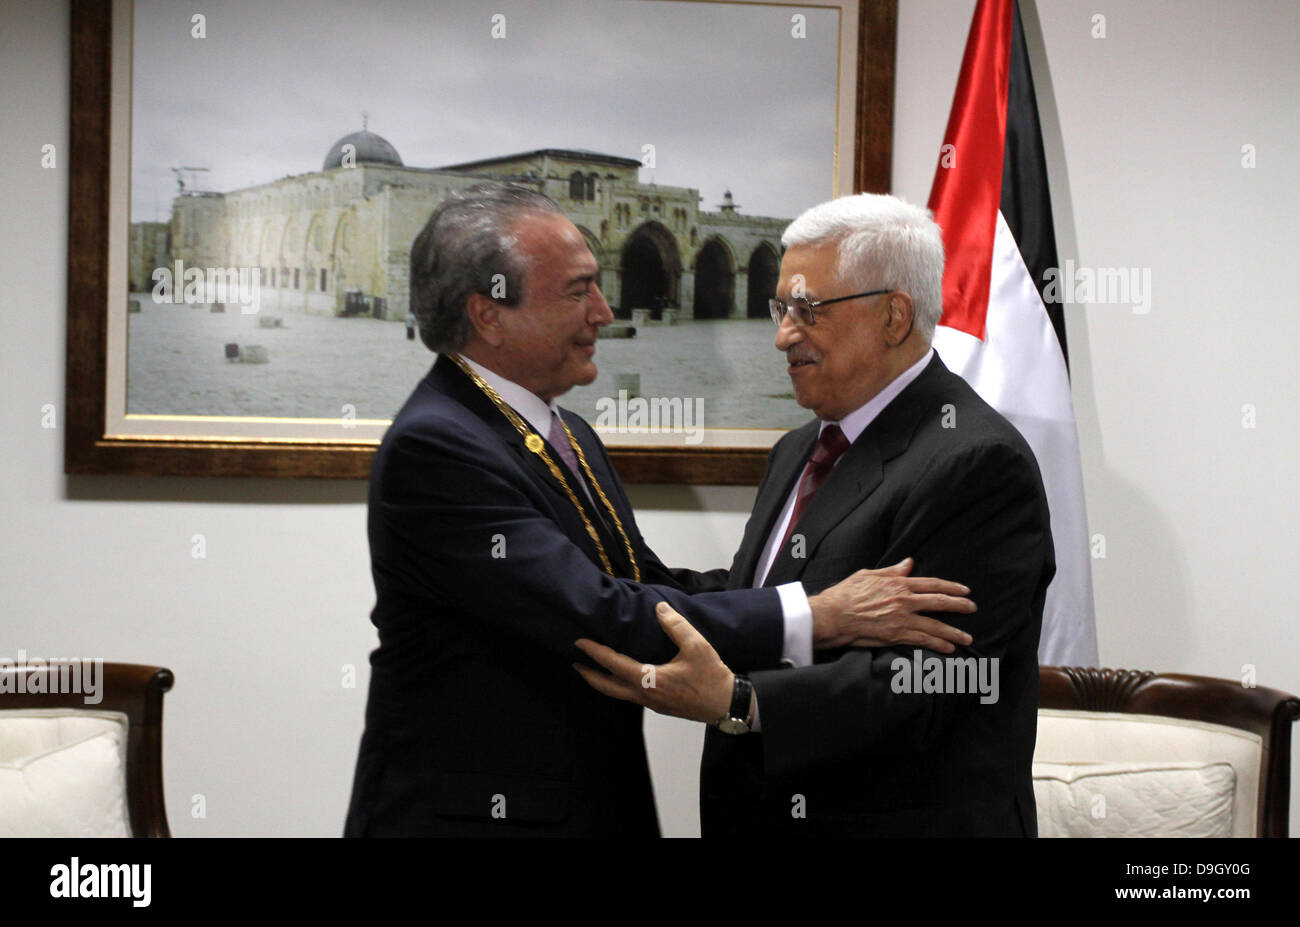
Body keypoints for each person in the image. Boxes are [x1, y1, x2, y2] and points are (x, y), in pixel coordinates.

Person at [343, 184, 977, 837]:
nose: (604, 308)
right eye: (577, 290)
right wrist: (817, 614)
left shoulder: (566, 434)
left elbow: (643, 585)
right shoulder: (438, 445)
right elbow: (598, 613)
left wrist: (786, 614)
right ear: (490, 314)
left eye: (806, 308)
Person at [576, 192, 1054, 836]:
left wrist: (741, 703)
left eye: (807, 310)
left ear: (893, 316)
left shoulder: (976, 461)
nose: (781, 335)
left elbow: (942, 679)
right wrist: (611, 582)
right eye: (781, 308)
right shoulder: (800, 447)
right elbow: (762, 597)